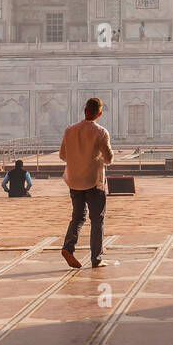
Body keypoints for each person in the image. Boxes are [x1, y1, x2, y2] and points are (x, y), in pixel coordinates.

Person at [59, 96, 114, 269]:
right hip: (93, 181)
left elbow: (62, 155)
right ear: (99, 113)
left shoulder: (70, 130)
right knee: (97, 220)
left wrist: (77, 158)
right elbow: (109, 158)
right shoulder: (101, 132)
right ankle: (96, 259)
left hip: (74, 180)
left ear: (85, 111)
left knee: (78, 216)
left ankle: (68, 247)